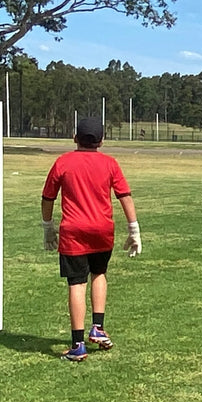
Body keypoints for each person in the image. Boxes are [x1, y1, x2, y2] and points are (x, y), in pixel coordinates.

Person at [41, 116, 142, 362]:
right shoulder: (110, 164)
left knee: (77, 283)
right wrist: (134, 229)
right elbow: (124, 195)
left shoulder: (63, 162)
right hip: (102, 231)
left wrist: (47, 226)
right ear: (101, 141)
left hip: (74, 232)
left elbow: (48, 197)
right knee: (99, 274)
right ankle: (97, 327)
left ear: (75, 138)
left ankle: (78, 344)